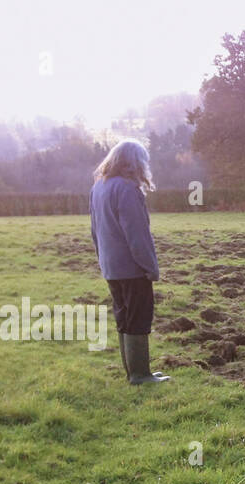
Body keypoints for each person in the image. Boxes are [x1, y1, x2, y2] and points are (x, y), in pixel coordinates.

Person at [89, 139, 169, 384]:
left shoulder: (99, 187)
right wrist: (151, 267)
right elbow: (137, 235)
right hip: (132, 269)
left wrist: (103, 260)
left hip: (111, 267)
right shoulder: (127, 189)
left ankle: (134, 372)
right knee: (138, 318)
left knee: (124, 319)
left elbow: (95, 230)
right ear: (134, 163)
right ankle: (140, 375)